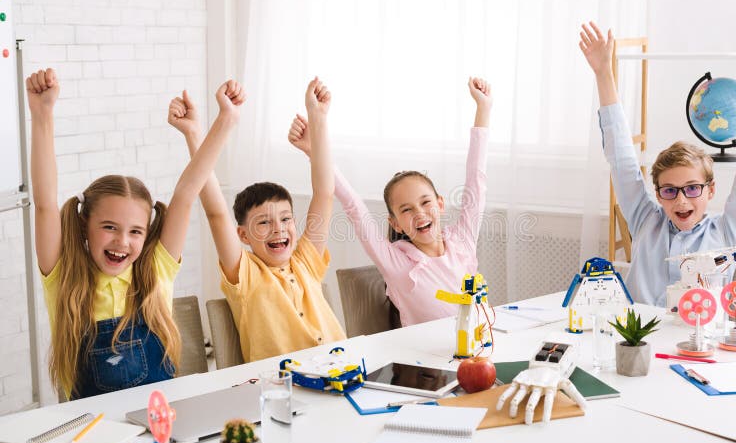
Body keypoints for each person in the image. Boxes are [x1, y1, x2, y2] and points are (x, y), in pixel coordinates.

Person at [29, 68, 244, 399]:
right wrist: (42, 115)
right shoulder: (65, 277)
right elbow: (45, 204)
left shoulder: (156, 270)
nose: (122, 241)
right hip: (95, 426)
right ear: (85, 225)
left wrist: (225, 121)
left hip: (161, 420)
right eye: (109, 227)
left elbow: (187, 192)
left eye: (135, 232)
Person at [580, 21, 736, 306]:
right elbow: (620, 157)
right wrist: (603, 73)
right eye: (670, 190)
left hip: (702, 334)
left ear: (711, 189)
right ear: (658, 194)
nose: (681, 200)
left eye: (692, 188)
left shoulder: (729, 231)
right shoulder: (646, 221)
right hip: (640, 333)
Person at [289, 77, 492, 326]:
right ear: (395, 223)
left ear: (440, 204)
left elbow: (476, 182)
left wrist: (483, 109)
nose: (419, 213)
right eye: (406, 209)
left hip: (481, 344)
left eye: (425, 202)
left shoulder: (462, 242)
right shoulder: (397, 264)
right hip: (427, 352)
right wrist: (314, 151)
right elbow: (354, 207)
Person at [169, 77, 345, 363]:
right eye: (264, 223)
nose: (278, 229)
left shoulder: (306, 262)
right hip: (285, 382)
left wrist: (318, 118)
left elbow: (324, 192)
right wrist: (193, 135)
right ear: (243, 235)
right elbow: (216, 213)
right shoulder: (245, 274)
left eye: (285, 219)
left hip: (342, 367)